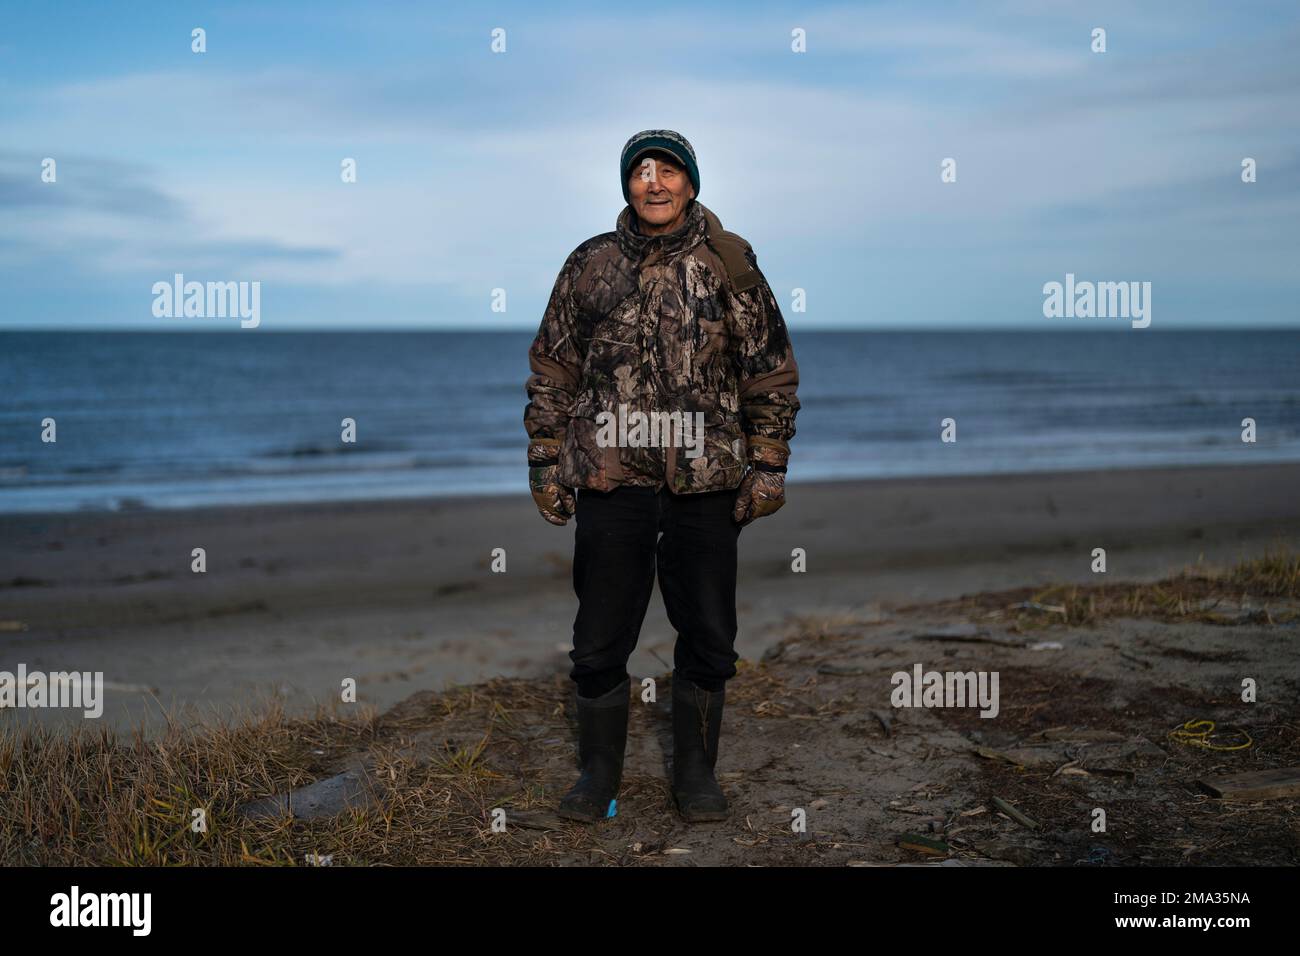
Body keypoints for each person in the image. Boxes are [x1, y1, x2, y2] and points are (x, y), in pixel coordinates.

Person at [523, 129, 799, 822]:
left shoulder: (730, 263)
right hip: (612, 477)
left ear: (691, 183)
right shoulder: (590, 263)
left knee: (709, 635)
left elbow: (769, 372)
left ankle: (696, 776)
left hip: (705, 481)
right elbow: (553, 369)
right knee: (597, 641)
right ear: (626, 185)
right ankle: (598, 778)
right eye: (640, 171)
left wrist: (767, 465)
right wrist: (543, 459)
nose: (653, 182)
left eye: (667, 170)